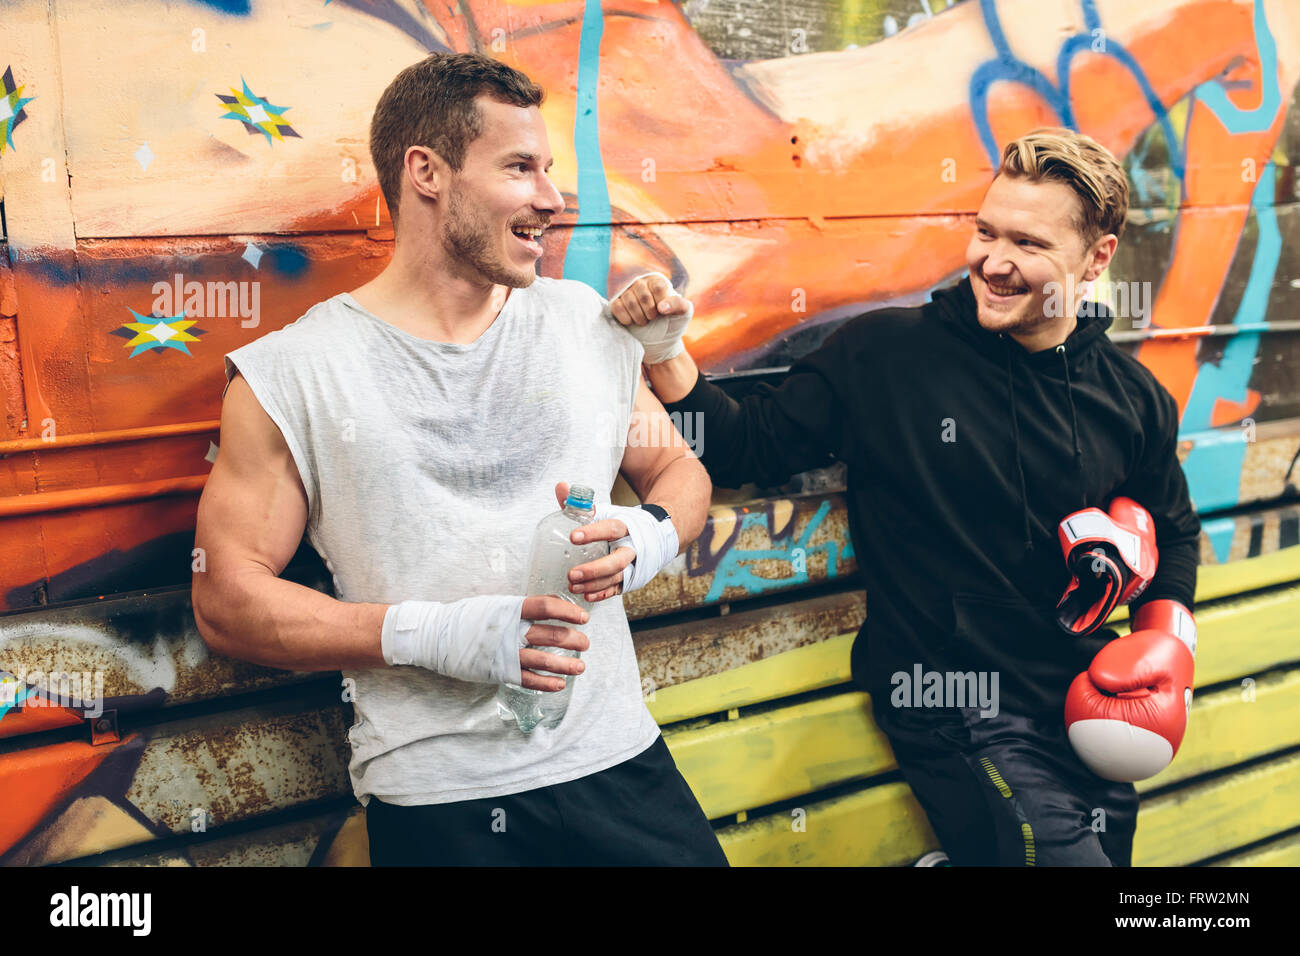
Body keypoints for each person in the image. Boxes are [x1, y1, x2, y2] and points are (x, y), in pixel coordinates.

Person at [191, 52, 726, 867]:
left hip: (619, 767)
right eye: (520, 168)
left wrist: (646, 539)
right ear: (426, 172)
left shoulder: (585, 324)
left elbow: (678, 475)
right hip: (440, 802)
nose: (551, 197)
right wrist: (433, 635)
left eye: (548, 169)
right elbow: (227, 600)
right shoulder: (292, 375)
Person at [611, 129, 1201, 866]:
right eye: (985, 232)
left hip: (1089, 705)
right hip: (954, 704)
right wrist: (665, 349)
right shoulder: (887, 356)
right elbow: (744, 447)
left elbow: (1175, 531)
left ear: (1098, 259)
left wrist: (1166, 640)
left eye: (1029, 243)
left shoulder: (1131, 396)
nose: (994, 261)